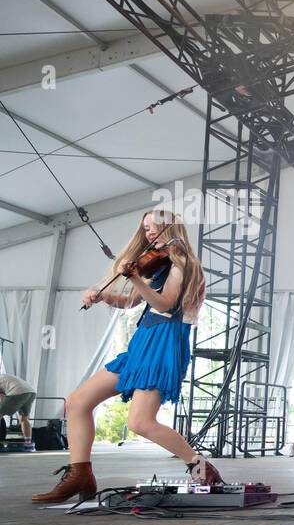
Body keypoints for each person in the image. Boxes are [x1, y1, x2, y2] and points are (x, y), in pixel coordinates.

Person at [32, 210, 223, 504]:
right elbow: (131, 301)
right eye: (145, 229)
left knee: (141, 422)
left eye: (154, 228)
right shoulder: (158, 264)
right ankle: (80, 474)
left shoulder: (183, 264)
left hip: (162, 344)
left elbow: (165, 303)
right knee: (77, 402)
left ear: (170, 228)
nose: (148, 234)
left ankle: (202, 469)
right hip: (141, 343)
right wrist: (102, 296)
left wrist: (135, 278)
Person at [0, 371, 37, 451]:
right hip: (30, 392)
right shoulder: (4, 377)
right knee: (24, 418)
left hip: (17, 391)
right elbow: (3, 396)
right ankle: (29, 445)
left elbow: (2, 398)